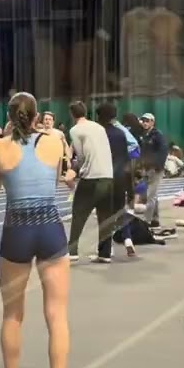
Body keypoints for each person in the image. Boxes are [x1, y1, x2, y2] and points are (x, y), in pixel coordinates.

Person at [0, 92, 73, 368]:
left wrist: (7, 140)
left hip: (17, 231)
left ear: (10, 117)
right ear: (37, 116)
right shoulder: (55, 140)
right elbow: (59, 176)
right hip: (50, 229)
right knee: (57, 314)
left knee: (12, 315)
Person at [66, 101, 115, 262]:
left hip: (91, 177)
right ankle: (104, 253)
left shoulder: (75, 130)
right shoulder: (99, 127)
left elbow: (81, 156)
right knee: (105, 217)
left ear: (72, 114)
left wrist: (74, 170)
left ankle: (72, 251)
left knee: (78, 213)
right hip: (107, 175)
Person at [98, 101, 138, 258]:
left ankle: (107, 250)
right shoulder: (121, 133)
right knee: (120, 210)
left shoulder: (99, 133)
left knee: (105, 214)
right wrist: (130, 185)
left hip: (105, 177)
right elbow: (127, 158)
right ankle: (128, 239)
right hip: (120, 177)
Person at [136, 113, 169, 225]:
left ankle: (147, 220)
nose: (145, 123)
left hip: (155, 169)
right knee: (150, 195)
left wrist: (157, 167)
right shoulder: (144, 135)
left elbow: (163, 152)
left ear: (152, 122)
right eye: (144, 121)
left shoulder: (157, 135)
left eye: (147, 121)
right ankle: (155, 219)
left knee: (151, 195)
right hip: (146, 168)